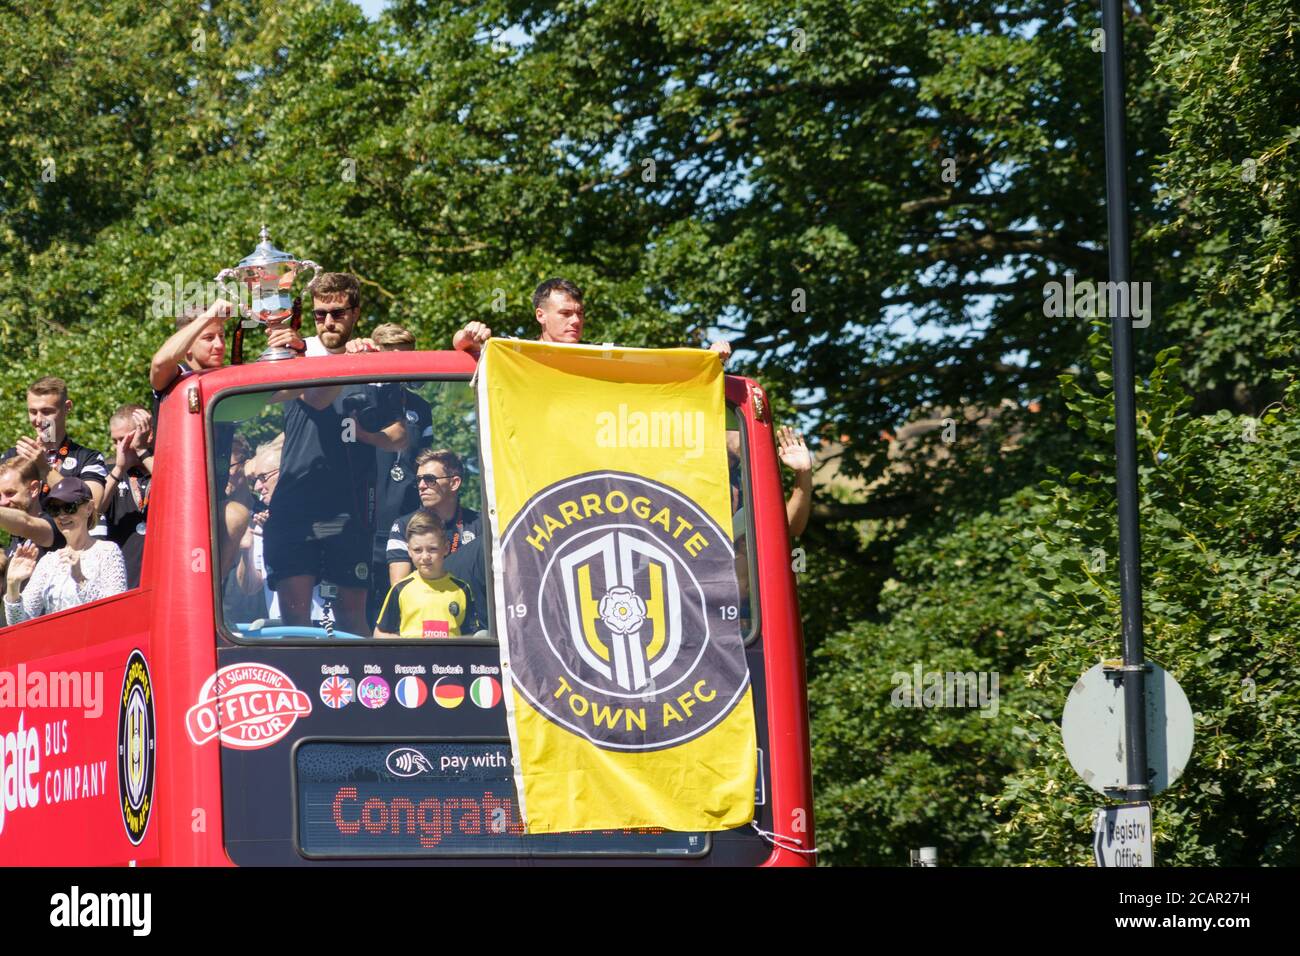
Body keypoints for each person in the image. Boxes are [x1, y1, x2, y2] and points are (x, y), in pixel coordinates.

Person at [264, 272, 408, 635]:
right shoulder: (299, 352)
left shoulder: (374, 361)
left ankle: (358, 689)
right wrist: (347, 362)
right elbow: (316, 398)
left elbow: (400, 436)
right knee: (295, 619)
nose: (328, 321)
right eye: (319, 314)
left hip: (350, 507)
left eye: (338, 312)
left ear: (356, 313)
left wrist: (366, 435)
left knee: (351, 618)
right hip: (297, 504)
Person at [451, 277, 733, 362]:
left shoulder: (600, 356)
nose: (575, 321)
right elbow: (462, 348)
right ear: (541, 316)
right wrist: (468, 333)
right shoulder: (515, 352)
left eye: (579, 314)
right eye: (565, 313)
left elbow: (656, 364)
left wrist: (708, 360)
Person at [367, 324, 434, 619]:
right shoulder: (362, 400)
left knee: (405, 605)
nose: (399, 367)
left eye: (406, 358)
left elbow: (425, 460)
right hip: (366, 520)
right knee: (366, 607)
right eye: (391, 357)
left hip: (407, 521)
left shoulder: (421, 406)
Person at [4, 478, 127, 626]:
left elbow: (117, 611)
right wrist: (13, 585)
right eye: (55, 510)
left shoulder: (107, 551)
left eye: (69, 507)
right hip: (58, 646)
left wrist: (80, 579)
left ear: (89, 508)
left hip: (96, 644)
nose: (62, 515)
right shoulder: (49, 562)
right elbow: (19, 624)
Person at [0, 377, 109, 514]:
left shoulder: (89, 458)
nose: (39, 420)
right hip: (23, 534)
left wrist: (45, 469)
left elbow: (93, 507)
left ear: (67, 407)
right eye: (33, 412)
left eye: (47, 411)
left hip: (67, 535)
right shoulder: (14, 456)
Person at [374, 512, 482, 639]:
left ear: (446, 548)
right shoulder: (400, 589)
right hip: (411, 658)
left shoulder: (461, 589)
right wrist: (405, 646)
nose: (425, 557)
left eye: (432, 549)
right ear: (409, 551)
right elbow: (379, 633)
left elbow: (472, 636)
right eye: (418, 550)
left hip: (450, 659)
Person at [384, 449, 479, 586]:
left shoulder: (480, 523)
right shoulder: (403, 526)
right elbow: (399, 588)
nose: (421, 486)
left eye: (430, 479)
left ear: (454, 483)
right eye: (419, 480)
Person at [92, 404, 155, 588]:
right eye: (115, 441)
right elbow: (93, 513)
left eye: (124, 439)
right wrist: (119, 469)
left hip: (162, 580)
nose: (119, 447)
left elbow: (176, 485)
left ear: (146, 434)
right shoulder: (110, 472)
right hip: (122, 584)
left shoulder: (164, 462)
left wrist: (142, 452)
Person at [0, 458, 66, 599]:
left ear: (34, 489)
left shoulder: (56, 524)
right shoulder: (13, 540)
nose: (3, 502)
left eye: (10, 493)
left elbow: (26, 524)